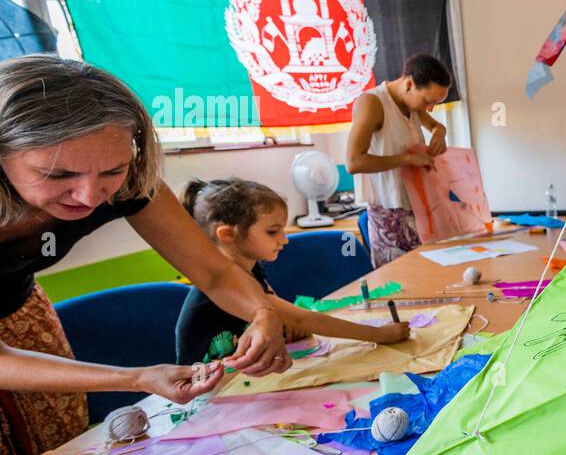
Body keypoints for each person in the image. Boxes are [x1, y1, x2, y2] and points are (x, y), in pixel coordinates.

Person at [0, 56, 289, 455]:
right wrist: (135, 378)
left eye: (112, 171)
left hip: (21, 312)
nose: (88, 195)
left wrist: (262, 311)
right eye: (57, 174)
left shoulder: (128, 180)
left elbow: (214, 271)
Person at [176, 178, 410, 366]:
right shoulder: (227, 284)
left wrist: (283, 324)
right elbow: (302, 317)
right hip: (206, 393)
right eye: (272, 232)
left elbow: (282, 312)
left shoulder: (250, 266)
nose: (284, 240)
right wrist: (379, 335)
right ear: (228, 234)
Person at [347, 54, 453, 267]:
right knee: (405, 287)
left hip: (420, 208)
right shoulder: (373, 103)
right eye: (428, 101)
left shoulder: (413, 105)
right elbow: (354, 162)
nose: (430, 109)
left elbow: (433, 124)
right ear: (409, 84)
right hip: (391, 215)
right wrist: (408, 159)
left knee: (433, 278)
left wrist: (439, 130)